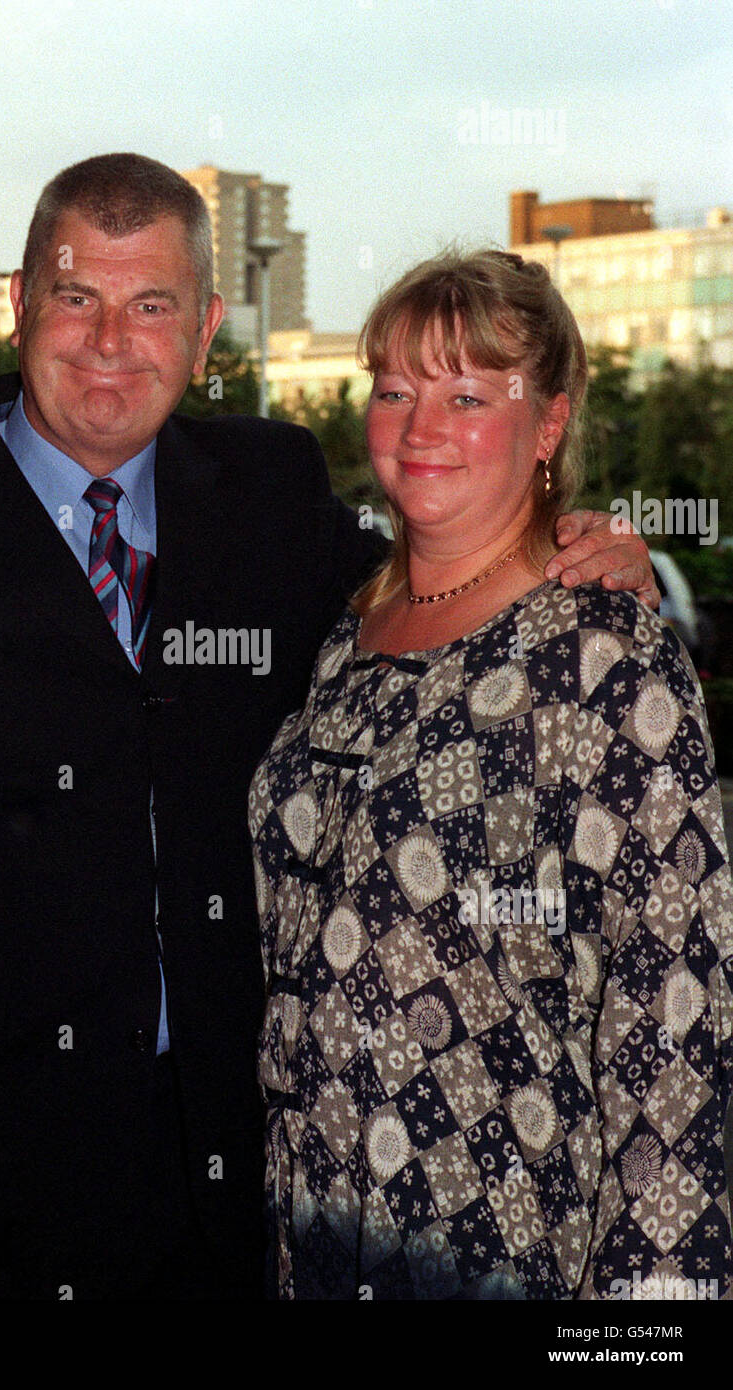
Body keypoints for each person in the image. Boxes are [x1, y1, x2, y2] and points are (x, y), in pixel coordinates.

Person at [0, 160, 655, 1301]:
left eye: (150, 304)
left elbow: (438, 589)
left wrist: (573, 553)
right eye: (76, 298)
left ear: (204, 328)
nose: (111, 340)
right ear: (18, 306)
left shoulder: (265, 494)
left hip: (228, 1196)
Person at [250, 247, 733, 1300]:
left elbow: (674, 1025)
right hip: (312, 1241)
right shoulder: (345, 638)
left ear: (547, 423)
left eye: (467, 394)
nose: (420, 428)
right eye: (393, 391)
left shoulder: (600, 655)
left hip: (501, 1250)